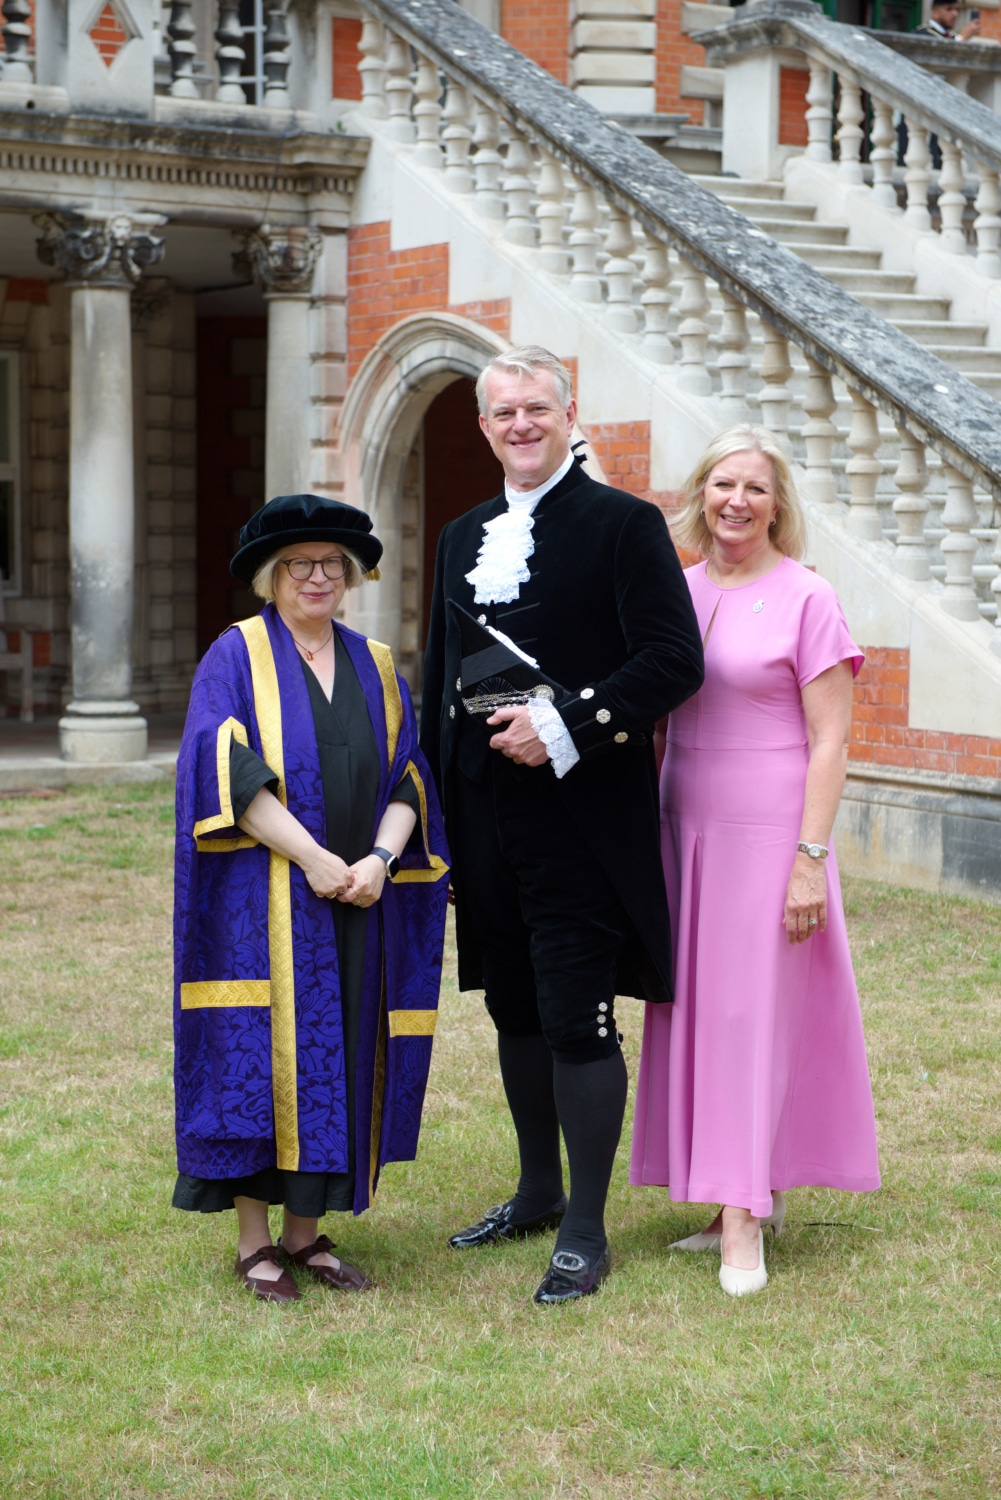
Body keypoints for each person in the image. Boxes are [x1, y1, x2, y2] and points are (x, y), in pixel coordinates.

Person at [420, 347, 704, 1305]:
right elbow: (436, 685)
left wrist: (565, 725)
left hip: (584, 815)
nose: (520, 425)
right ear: (485, 427)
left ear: (568, 411)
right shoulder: (462, 533)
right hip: (487, 819)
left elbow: (673, 660)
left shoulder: (625, 525)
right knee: (515, 1006)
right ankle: (536, 1190)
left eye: (535, 408)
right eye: (502, 414)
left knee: (579, 1014)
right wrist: (442, 827)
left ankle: (585, 1229)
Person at [173, 494, 449, 1303]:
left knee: (344, 1047)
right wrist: (316, 858)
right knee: (258, 1054)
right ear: (272, 574)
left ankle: (306, 1233)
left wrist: (378, 860)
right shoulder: (237, 656)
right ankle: (255, 1242)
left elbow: (410, 775)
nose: (319, 577)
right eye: (300, 564)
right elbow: (221, 771)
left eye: (333, 564)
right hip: (263, 898)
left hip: (358, 894)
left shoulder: (376, 662)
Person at [629, 426, 881, 1297]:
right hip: (681, 825)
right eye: (722, 484)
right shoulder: (678, 589)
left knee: (749, 1016)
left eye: (755, 489)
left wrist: (809, 858)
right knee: (696, 1009)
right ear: (699, 492)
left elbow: (831, 740)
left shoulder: (807, 596)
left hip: (767, 832)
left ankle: (745, 1218)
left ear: (779, 506)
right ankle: (718, 1194)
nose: (736, 501)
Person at [915, 0, 980, 40]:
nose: (955, 14)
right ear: (935, 12)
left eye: (957, 10)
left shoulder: (951, 35)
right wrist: (961, 38)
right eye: (949, 9)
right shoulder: (922, 33)